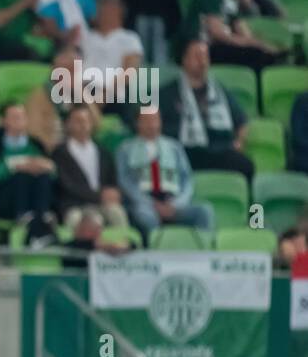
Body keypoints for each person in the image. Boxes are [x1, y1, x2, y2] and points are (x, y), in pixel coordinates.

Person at [157, 39, 254, 181]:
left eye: (205, 56)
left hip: (219, 149)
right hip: (185, 151)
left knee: (245, 165)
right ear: (184, 60)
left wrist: (238, 143)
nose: (202, 61)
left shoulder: (219, 91)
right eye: (197, 56)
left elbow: (241, 121)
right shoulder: (167, 92)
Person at [117, 106, 214, 239]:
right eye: (147, 120)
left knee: (204, 211)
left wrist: (176, 203)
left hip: (173, 201)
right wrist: (150, 203)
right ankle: (155, 254)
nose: (152, 125)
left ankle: (204, 253)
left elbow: (187, 179)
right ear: (138, 123)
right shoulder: (125, 149)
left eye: (155, 120)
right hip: (145, 203)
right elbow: (124, 181)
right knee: (145, 217)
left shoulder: (174, 147)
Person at [181, 0, 285, 70]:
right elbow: (217, 33)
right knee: (256, 54)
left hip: (221, 46)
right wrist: (254, 44)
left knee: (268, 54)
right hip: (201, 47)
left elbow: (241, 28)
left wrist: (263, 45)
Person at [0, 104, 57, 233]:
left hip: (35, 193)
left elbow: (53, 172)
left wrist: (41, 166)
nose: (19, 120)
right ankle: (22, 214)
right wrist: (17, 165)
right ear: (4, 121)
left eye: (22, 117)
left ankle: (43, 214)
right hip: (7, 197)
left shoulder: (36, 144)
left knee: (43, 177)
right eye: (14, 117)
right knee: (21, 176)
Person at [53, 105, 129, 229]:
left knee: (117, 213)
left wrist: (113, 193)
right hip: (75, 205)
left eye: (86, 120)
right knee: (74, 219)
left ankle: (122, 244)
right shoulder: (60, 153)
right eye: (78, 121)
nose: (83, 125)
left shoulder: (103, 152)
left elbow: (112, 180)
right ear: (68, 125)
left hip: (103, 204)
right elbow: (66, 185)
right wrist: (98, 196)